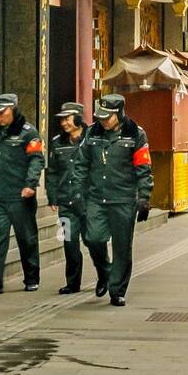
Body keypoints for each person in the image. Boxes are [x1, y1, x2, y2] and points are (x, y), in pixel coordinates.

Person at [71, 93, 153, 307]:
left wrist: (144, 197)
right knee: (93, 238)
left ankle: (117, 290)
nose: (103, 121)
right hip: (97, 197)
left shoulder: (135, 134)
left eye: (107, 117)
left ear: (119, 114)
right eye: (100, 117)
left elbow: (143, 168)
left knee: (122, 247)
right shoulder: (92, 133)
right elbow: (81, 164)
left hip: (124, 199)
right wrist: (78, 191)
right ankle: (104, 272)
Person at [0, 93, 45, 294]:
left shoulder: (28, 133)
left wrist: (31, 184)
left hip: (20, 196)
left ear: (13, 109)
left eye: (2, 112)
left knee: (26, 238)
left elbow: (36, 160)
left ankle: (31, 277)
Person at [46, 102, 109, 296]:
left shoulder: (93, 139)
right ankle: (72, 283)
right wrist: (53, 197)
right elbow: (52, 173)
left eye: (67, 118)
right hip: (66, 202)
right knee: (69, 242)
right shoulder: (57, 142)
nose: (64, 123)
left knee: (93, 241)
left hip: (90, 202)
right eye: (62, 119)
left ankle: (105, 275)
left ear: (78, 118)